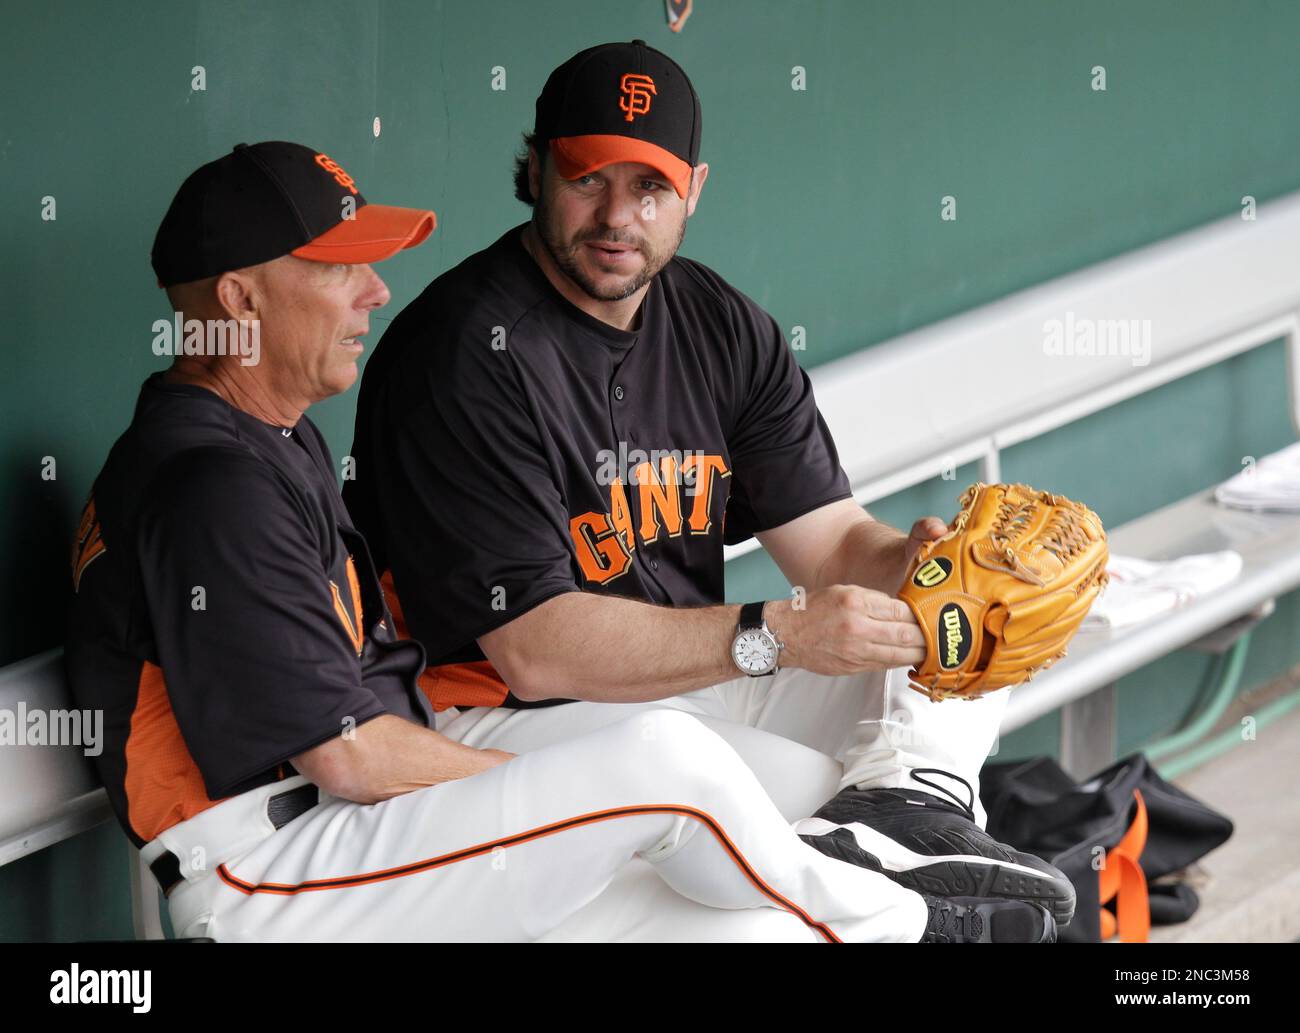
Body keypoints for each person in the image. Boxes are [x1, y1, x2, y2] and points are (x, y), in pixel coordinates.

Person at [64, 140, 1019, 944]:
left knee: (770, 825)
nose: (374, 289)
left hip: (353, 827)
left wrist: (586, 806)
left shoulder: (264, 435)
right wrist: (573, 795)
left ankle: (881, 876)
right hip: (264, 872)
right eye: (337, 264)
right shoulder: (212, 482)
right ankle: (905, 911)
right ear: (239, 299)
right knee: (670, 770)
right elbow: (350, 757)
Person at [344, 40, 1072, 939]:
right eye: (587, 179)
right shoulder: (462, 353)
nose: (618, 217)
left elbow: (834, 541)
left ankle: (906, 808)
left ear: (694, 189)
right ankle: (888, 855)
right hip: (508, 715)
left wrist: (916, 563)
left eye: (649, 188)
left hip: (692, 676)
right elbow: (537, 649)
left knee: (964, 632)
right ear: (533, 171)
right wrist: (783, 636)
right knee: (806, 804)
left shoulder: (719, 324)